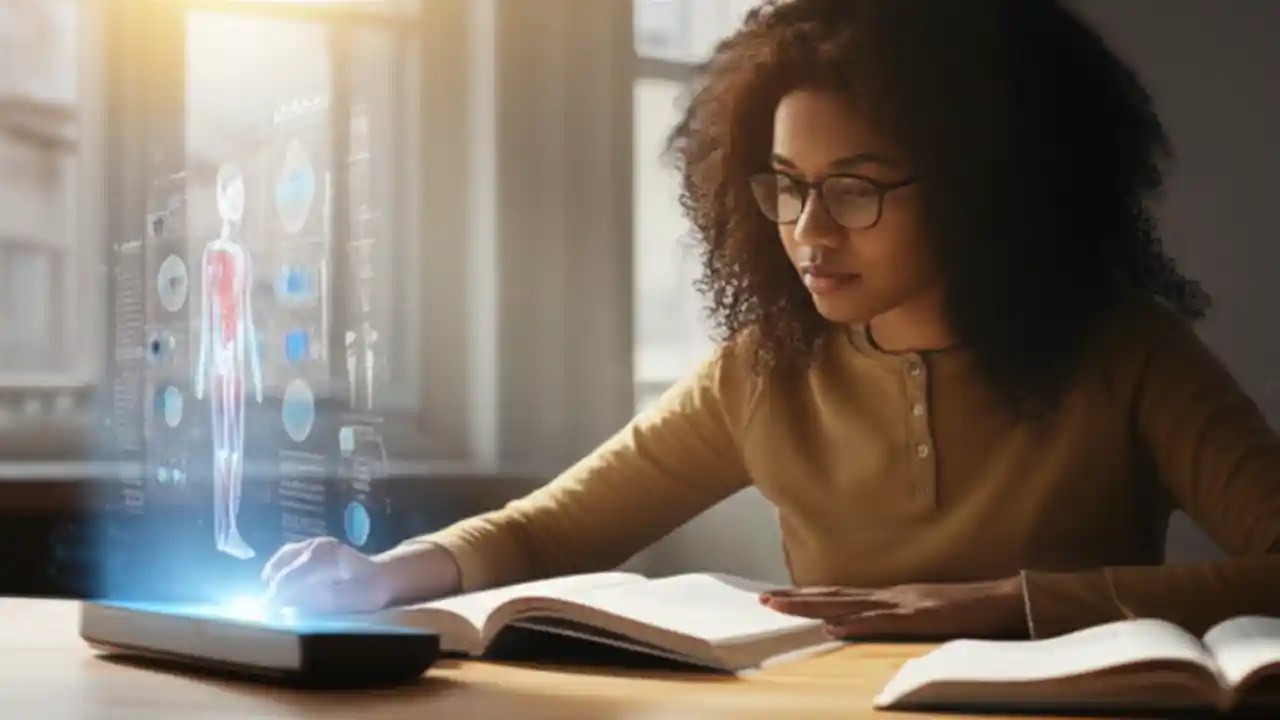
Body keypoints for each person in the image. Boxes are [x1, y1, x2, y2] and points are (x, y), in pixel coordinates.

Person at [261, 0, 1279, 640]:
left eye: (855, 188)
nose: (806, 232)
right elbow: (553, 531)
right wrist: (383, 573)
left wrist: (1004, 604)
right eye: (784, 186)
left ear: (985, 187)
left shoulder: (1127, 353)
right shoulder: (762, 374)